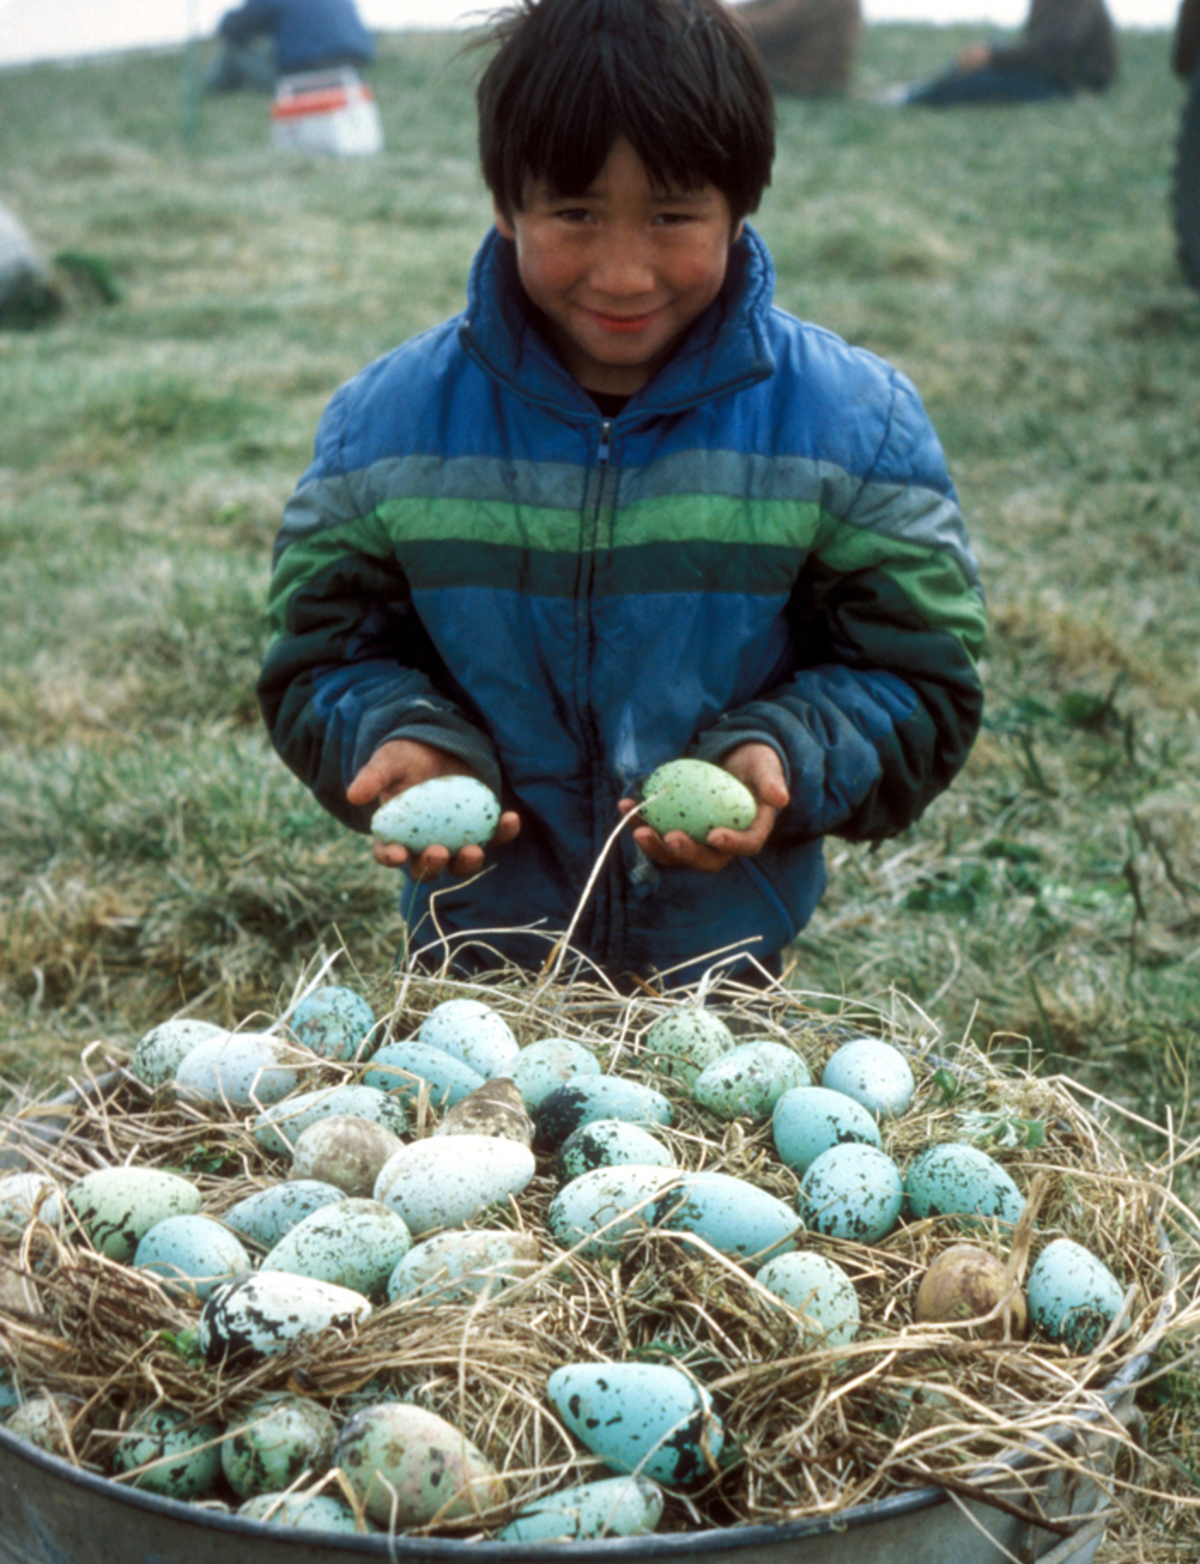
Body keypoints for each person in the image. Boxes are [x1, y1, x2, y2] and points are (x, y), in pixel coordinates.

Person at [258, 0, 986, 990]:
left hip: (725, 982)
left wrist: (782, 752)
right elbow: (317, 658)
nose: (623, 270)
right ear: (504, 201)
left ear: (742, 203)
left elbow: (922, 676)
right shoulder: (383, 429)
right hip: (474, 977)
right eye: (575, 212)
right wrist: (404, 738)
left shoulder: (853, 424)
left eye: (674, 215)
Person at [883, 0, 1117, 108]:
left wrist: (993, 56)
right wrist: (991, 54)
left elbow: (1050, 52)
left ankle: (912, 99)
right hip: (1051, 74)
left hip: (1069, 86)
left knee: (978, 80)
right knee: (977, 59)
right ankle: (915, 91)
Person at [203, 0, 374, 96]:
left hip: (300, 78)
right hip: (353, 73)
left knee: (234, 51)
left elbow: (233, 28)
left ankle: (212, 92)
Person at [737, 0, 862, 98]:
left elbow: (772, 26)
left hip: (804, 78)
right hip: (796, 71)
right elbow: (766, 5)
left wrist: (726, 23)